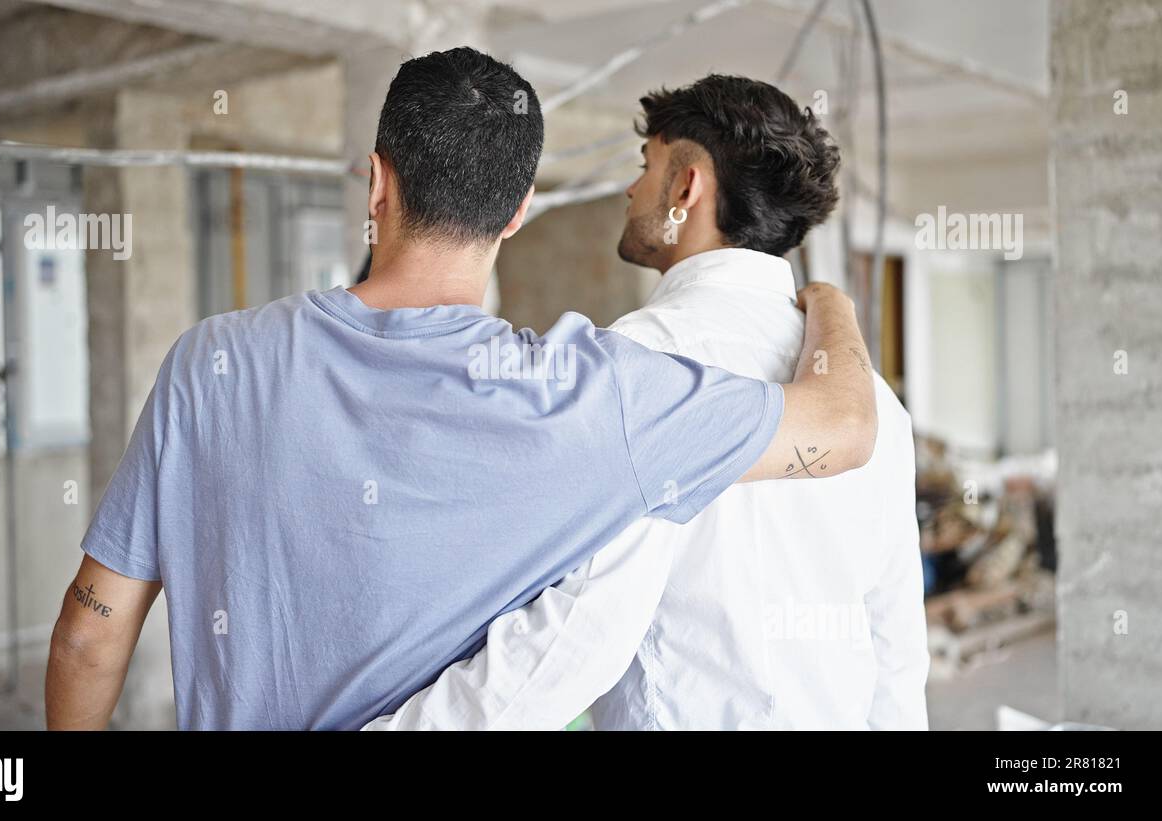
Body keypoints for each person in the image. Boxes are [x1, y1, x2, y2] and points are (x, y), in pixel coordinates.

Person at [45, 50, 876, 731]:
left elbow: (89, 633)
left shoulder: (209, 364)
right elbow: (843, 428)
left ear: (376, 184)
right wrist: (826, 299)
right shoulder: (593, 399)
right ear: (516, 214)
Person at [367, 75, 927, 731]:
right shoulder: (874, 400)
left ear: (686, 188)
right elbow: (896, 645)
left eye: (646, 166)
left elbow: (580, 630)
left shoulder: (635, 360)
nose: (632, 190)